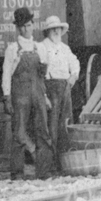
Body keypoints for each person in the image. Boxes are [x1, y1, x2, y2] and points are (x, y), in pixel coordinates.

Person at [1, 7, 52, 178]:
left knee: (42, 130)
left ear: (33, 25)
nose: (26, 29)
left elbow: (43, 76)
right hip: (20, 94)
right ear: (17, 28)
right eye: (22, 26)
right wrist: (7, 97)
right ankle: (17, 173)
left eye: (28, 25)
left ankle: (43, 172)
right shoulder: (12, 49)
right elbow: (6, 74)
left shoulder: (40, 48)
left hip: (37, 92)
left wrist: (44, 96)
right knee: (19, 132)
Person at [37, 15, 80, 161]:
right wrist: (44, 95)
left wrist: (73, 76)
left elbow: (74, 63)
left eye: (58, 29)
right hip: (51, 87)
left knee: (66, 123)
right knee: (52, 126)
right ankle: (52, 161)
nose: (56, 31)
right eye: (52, 29)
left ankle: (65, 159)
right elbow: (39, 73)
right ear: (47, 32)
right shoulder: (42, 47)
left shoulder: (65, 48)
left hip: (65, 87)